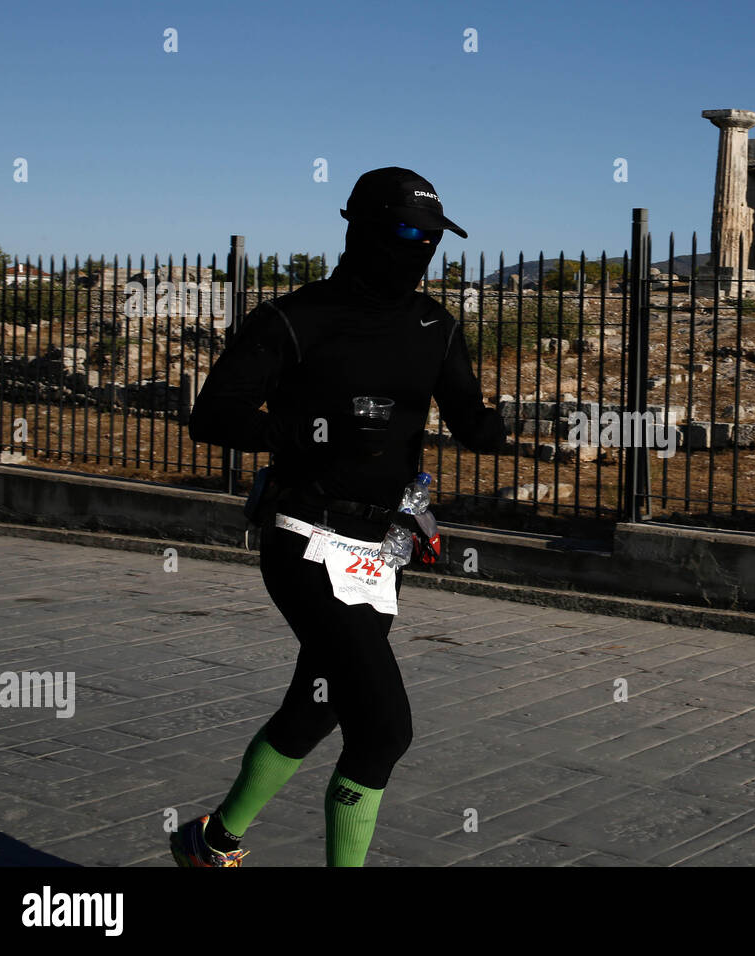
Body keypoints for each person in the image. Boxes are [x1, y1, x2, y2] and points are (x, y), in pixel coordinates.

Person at [172, 167, 507, 866]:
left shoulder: (434, 327)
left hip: (382, 551)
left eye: (433, 237)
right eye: (409, 232)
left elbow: (472, 421)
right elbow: (212, 415)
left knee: (318, 704)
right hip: (303, 535)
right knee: (383, 729)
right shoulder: (294, 320)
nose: (421, 247)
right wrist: (302, 432)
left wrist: (499, 426)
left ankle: (213, 842)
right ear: (362, 228)